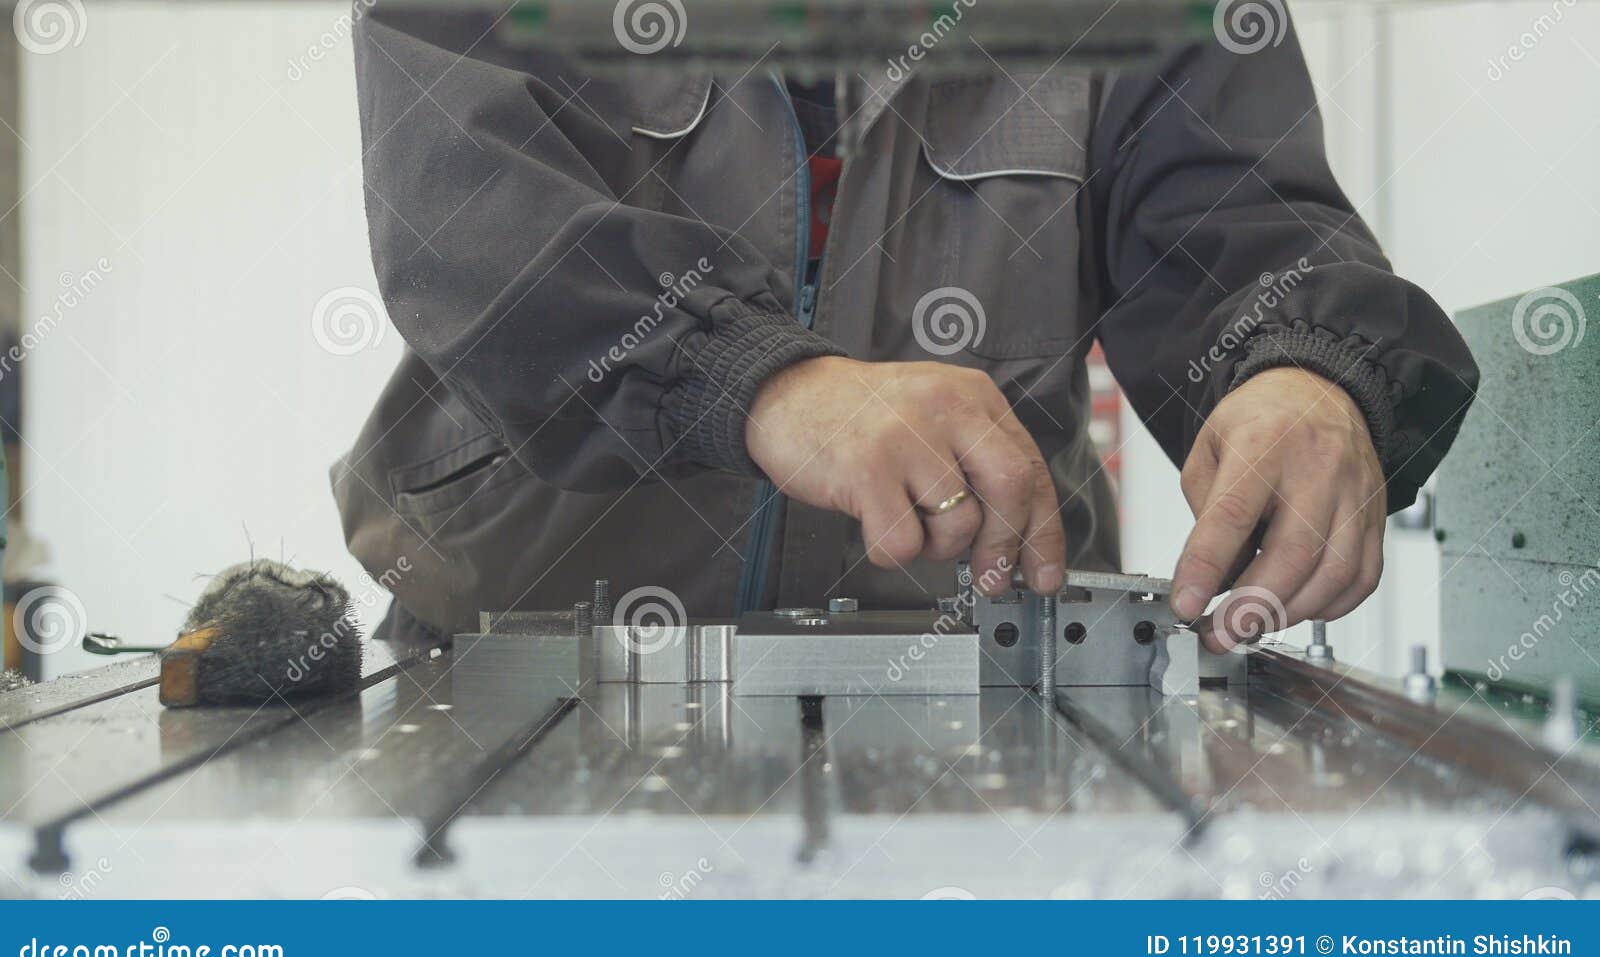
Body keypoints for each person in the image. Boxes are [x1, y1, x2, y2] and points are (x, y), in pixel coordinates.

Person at [332, 5, 1478, 653]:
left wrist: (1304, 369)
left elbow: (1244, 226)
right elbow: (472, 226)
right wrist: (760, 385)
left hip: (984, 671)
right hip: (520, 651)